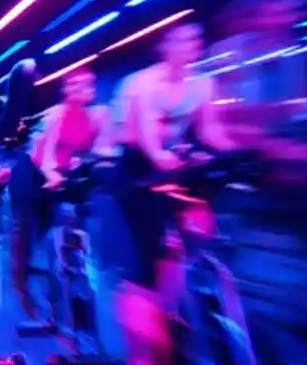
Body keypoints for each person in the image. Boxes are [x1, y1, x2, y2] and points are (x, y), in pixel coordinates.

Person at [104, 22, 235, 365]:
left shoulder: (202, 83)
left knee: (194, 230)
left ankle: (182, 309)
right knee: (145, 260)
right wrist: (159, 154)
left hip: (171, 162)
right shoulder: (142, 83)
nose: (192, 45)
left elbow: (210, 129)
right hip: (137, 167)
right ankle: (141, 351)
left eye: (197, 39)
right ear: (165, 47)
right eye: (183, 40)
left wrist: (236, 153)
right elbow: (146, 131)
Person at [7, 69, 106, 321]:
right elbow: (45, 156)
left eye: (86, 83)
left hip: (59, 172)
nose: (81, 87)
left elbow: (97, 151)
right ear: (65, 90)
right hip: (31, 172)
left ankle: (65, 272)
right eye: (74, 84)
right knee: (26, 232)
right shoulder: (55, 117)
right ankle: (20, 288)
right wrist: (53, 175)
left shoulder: (95, 117)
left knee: (58, 227)